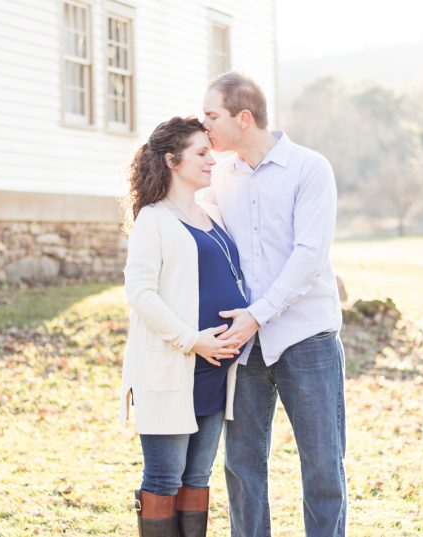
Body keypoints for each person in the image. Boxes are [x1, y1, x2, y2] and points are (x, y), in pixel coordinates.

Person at [202, 72, 347, 537]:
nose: (204, 126)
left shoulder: (310, 168)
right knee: (242, 469)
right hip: (242, 348)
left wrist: (257, 316)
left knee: (323, 468)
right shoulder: (219, 177)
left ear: (243, 118)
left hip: (307, 339)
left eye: (211, 116)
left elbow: (309, 257)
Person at [119, 116, 252, 537]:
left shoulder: (210, 213)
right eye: (201, 152)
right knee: (164, 480)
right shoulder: (153, 220)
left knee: (197, 480)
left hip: (214, 373)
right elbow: (140, 293)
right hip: (171, 370)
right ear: (172, 160)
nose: (211, 159)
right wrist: (192, 340)